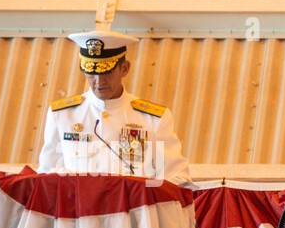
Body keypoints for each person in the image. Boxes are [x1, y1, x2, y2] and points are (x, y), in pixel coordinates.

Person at [37, 30, 191, 185]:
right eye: (91, 73)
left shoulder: (153, 119)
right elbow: (46, 175)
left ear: (125, 68)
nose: (99, 81)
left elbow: (177, 177)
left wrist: (144, 190)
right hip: (79, 201)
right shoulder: (62, 115)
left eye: (107, 72)